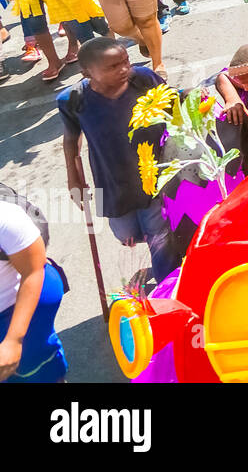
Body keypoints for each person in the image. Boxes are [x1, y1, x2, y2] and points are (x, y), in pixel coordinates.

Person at [57, 37, 180, 281]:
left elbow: (174, 105)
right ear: (87, 73)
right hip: (111, 180)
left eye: (126, 61)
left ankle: (169, 285)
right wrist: (74, 178)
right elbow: (71, 139)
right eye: (113, 66)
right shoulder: (73, 99)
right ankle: (161, 264)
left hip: (154, 174)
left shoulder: (144, 79)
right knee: (127, 234)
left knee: (159, 234)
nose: (124, 69)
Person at [0, 196, 67, 382]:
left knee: (35, 370)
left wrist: (13, 340)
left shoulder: (5, 217)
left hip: (16, 308)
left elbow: (34, 270)